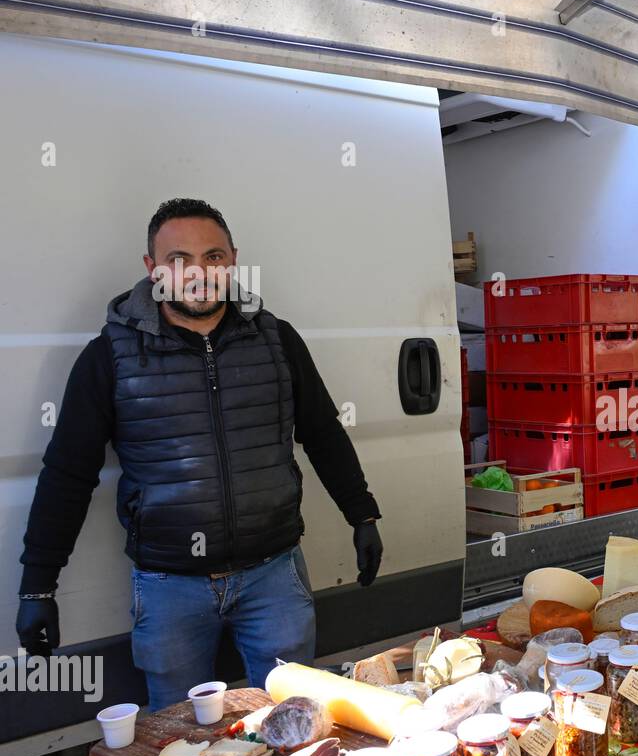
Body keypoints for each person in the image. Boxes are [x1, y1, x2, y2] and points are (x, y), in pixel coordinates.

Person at [15, 198, 383, 708]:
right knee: (178, 737)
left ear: (232, 260)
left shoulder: (275, 339)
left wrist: (361, 513)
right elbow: (68, 475)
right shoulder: (112, 356)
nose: (197, 273)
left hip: (274, 575)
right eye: (178, 259)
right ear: (152, 269)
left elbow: (322, 432)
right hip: (169, 589)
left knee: (292, 723)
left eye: (212, 256)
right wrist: (38, 587)